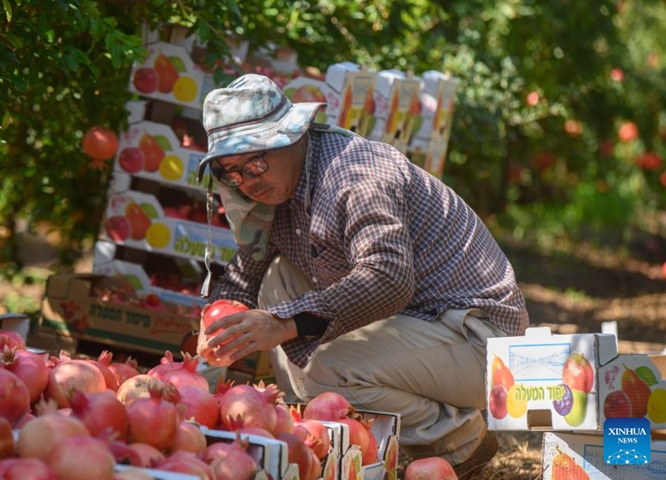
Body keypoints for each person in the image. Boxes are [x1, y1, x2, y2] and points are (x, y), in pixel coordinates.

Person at [194, 73, 529, 479]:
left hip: (480, 344)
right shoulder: (277, 194)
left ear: (293, 136)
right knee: (275, 280)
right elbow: (244, 279)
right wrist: (206, 351)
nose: (247, 181)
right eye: (232, 173)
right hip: (417, 330)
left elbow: (388, 278)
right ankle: (324, 415)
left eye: (256, 162)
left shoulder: (354, 177)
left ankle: (458, 438)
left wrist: (283, 323)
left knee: (326, 365)